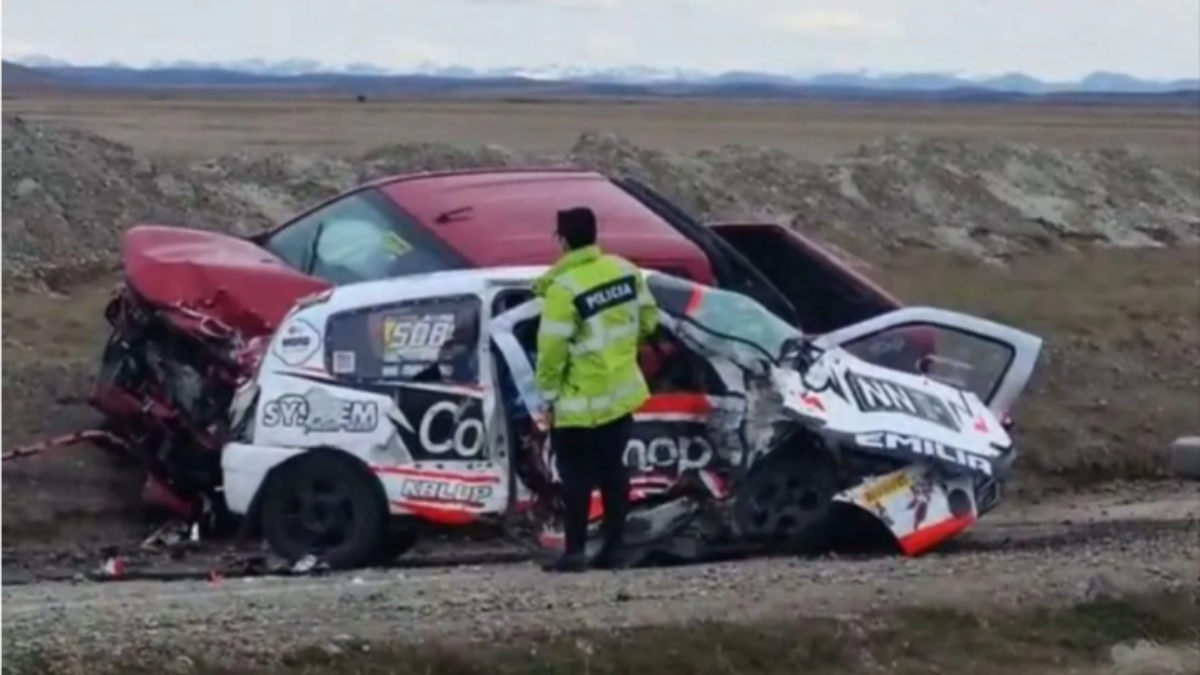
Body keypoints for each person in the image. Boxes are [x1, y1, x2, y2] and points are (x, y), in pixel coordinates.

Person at [534, 206, 659, 573]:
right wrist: (619, 351)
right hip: (620, 395)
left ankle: (574, 554)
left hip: (579, 402)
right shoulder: (625, 271)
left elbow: (551, 352)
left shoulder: (563, 288)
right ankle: (614, 550)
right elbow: (649, 321)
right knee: (613, 474)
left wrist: (547, 396)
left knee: (576, 479)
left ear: (562, 240)